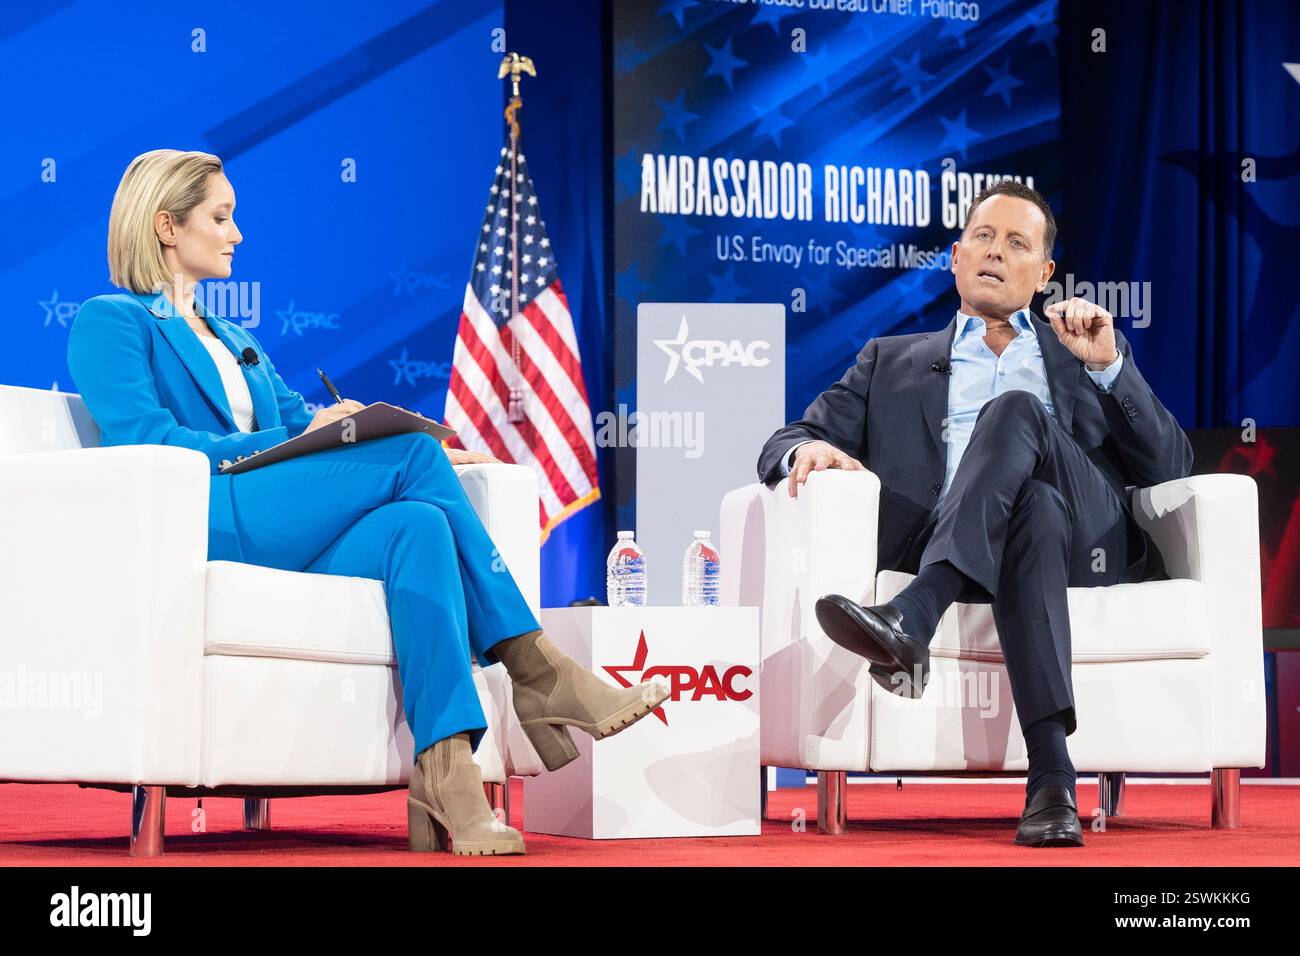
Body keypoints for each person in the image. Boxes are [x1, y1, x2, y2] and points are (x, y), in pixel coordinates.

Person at [66, 149, 669, 856]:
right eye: (221, 217)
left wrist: (337, 426)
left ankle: (445, 774)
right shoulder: (112, 320)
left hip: (275, 516)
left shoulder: (235, 337)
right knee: (410, 456)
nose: (237, 234)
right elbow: (149, 440)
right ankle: (539, 672)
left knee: (417, 525)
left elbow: (295, 422)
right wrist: (290, 440)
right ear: (167, 226)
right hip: (204, 518)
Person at [757, 180, 1192, 848]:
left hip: (1089, 547)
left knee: (1017, 412)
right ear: (956, 258)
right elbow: (782, 442)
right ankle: (1052, 780)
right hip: (993, 540)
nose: (995, 252)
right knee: (1034, 511)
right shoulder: (888, 361)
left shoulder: (1079, 356)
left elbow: (1170, 469)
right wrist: (809, 449)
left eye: (1017, 243)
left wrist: (1111, 367)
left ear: (1044, 274)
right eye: (983, 238)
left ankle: (915, 615)